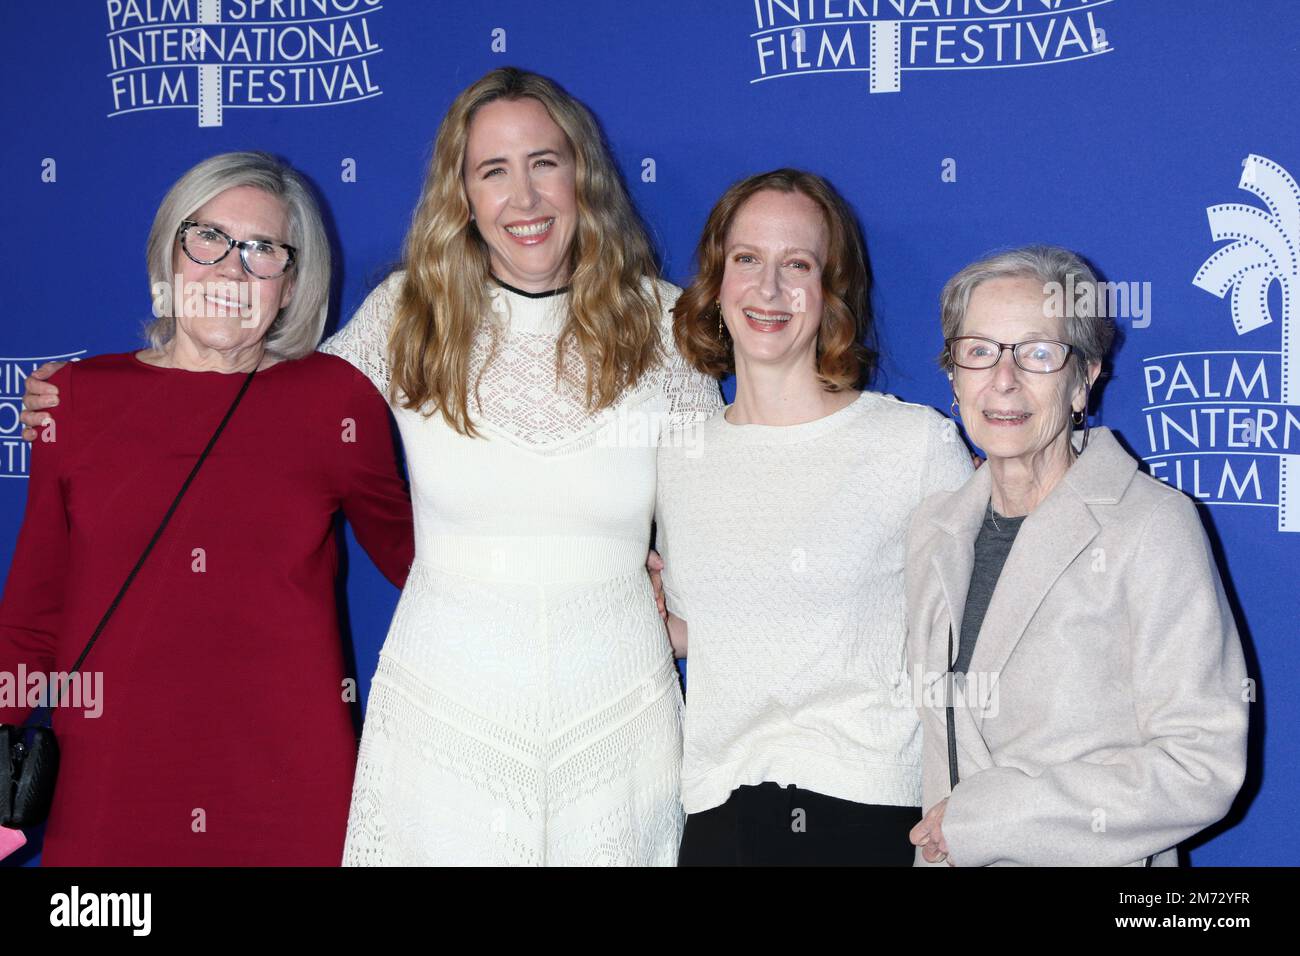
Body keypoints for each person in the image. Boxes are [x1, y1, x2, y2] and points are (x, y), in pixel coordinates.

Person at [0, 151, 414, 865]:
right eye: (208, 239)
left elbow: (427, 566)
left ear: (290, 284)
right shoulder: (74, 400)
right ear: (170, 254)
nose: (230, 271)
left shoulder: (334, 399)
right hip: (109, 778)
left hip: (292, 786)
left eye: (262, 250)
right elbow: (34, 615)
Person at [654, 169, 973, 866]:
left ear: (832, 292)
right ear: (716, 278)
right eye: (747, 260)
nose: (768, 290)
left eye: (796, 265)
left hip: (864, 817)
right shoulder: (677, 460)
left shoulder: (913, 445)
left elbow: (975, 644)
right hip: (715, 816)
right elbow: (707, 636)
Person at [906, 245, 1249, 867]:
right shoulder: (934, 529)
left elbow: (1200, 762)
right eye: (980, 351)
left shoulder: (1150, 525)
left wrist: (993, 819)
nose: (1003, 379)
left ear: (1084, 376)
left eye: (1038, 353)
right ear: (953, 374)